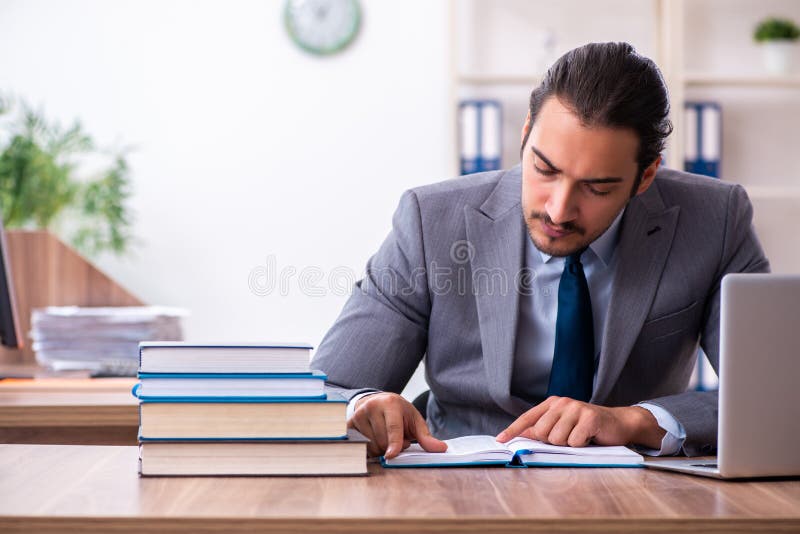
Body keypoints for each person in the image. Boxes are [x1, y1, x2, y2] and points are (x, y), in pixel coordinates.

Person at [311, 42, 769, 459]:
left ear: (645, 177)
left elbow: (774, 390)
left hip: (636, 492)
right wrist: (365, 405)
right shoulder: (431, 220)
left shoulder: (715, 220)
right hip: (457, 480)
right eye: (545, 168)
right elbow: (331, 387)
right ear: (527, 133)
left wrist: (634, 420)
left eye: (596, 187)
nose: (559, 209)